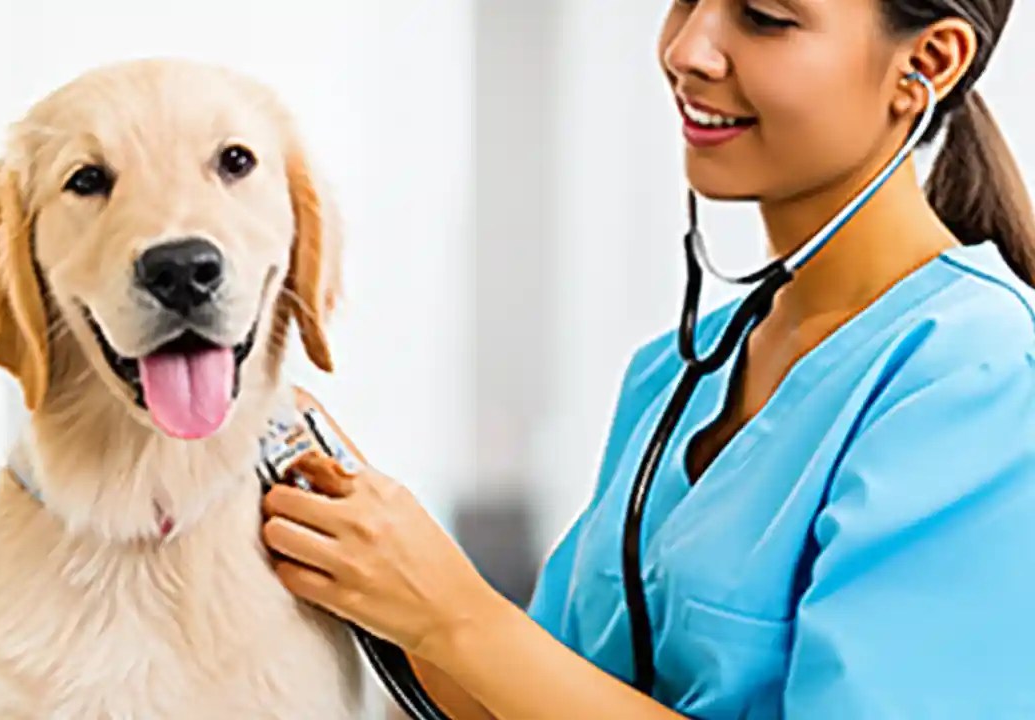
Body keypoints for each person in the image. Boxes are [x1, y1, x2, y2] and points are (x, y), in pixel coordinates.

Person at [260, 0, 1035, 717]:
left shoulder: (982, 376)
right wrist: (351, 520)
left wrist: (455, 615)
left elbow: (481, 641)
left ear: (929, 63)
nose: (687, 49)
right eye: (688, 0)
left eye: (764, 17)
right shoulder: (675, 374)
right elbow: (515, 696)